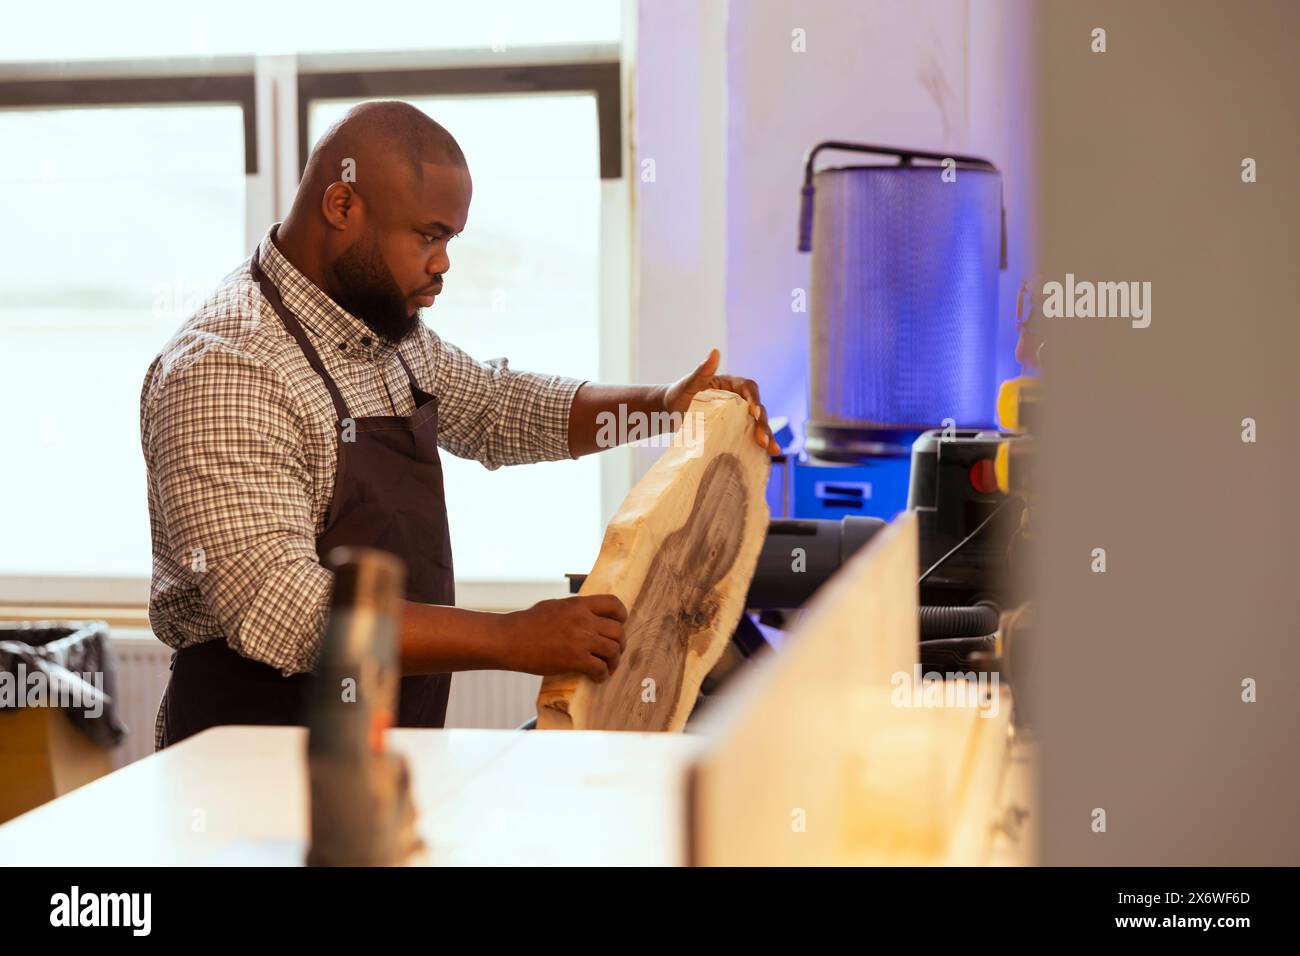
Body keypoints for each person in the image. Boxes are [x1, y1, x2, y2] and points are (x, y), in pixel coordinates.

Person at [141, 100, 777, 749]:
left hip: (382, 745)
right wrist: (509, 637)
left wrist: (662, 406)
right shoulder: (228, 370)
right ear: (341, 206)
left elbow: (498, 410)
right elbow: (285, 612)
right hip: (251, 760)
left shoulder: (379, 331)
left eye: (450, 239)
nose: (443, 263)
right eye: (428, 235)